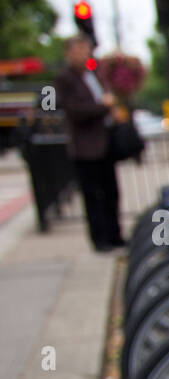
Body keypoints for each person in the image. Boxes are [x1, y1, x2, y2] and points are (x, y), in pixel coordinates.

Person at [54, 34, 123, 250]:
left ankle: (115, 235)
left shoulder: (94, 74)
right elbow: (75, 111)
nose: (84, 54)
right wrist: (104, 106)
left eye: (86, 50)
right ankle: (99, 239)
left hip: (105, 143)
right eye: (79, 50)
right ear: (68, 53)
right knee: (93, 195)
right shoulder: (65, 79)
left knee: (111, 191)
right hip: (85, 148)